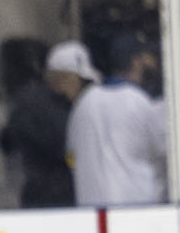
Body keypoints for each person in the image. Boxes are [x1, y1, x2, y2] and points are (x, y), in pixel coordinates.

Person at [68, 35, 170, 206]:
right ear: (136, 62)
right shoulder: (139, 103)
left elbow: (71, 157)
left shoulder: (85, 102)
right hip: (135, 211)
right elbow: (166, 151)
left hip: (91, 211)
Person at [0, 38, 93, 207]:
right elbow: (67, 150)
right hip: (51, 201)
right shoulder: (39, 107)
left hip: (57, 198)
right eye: (80, 81)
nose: (82, 88)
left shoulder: (46, 105)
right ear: (63, 78)